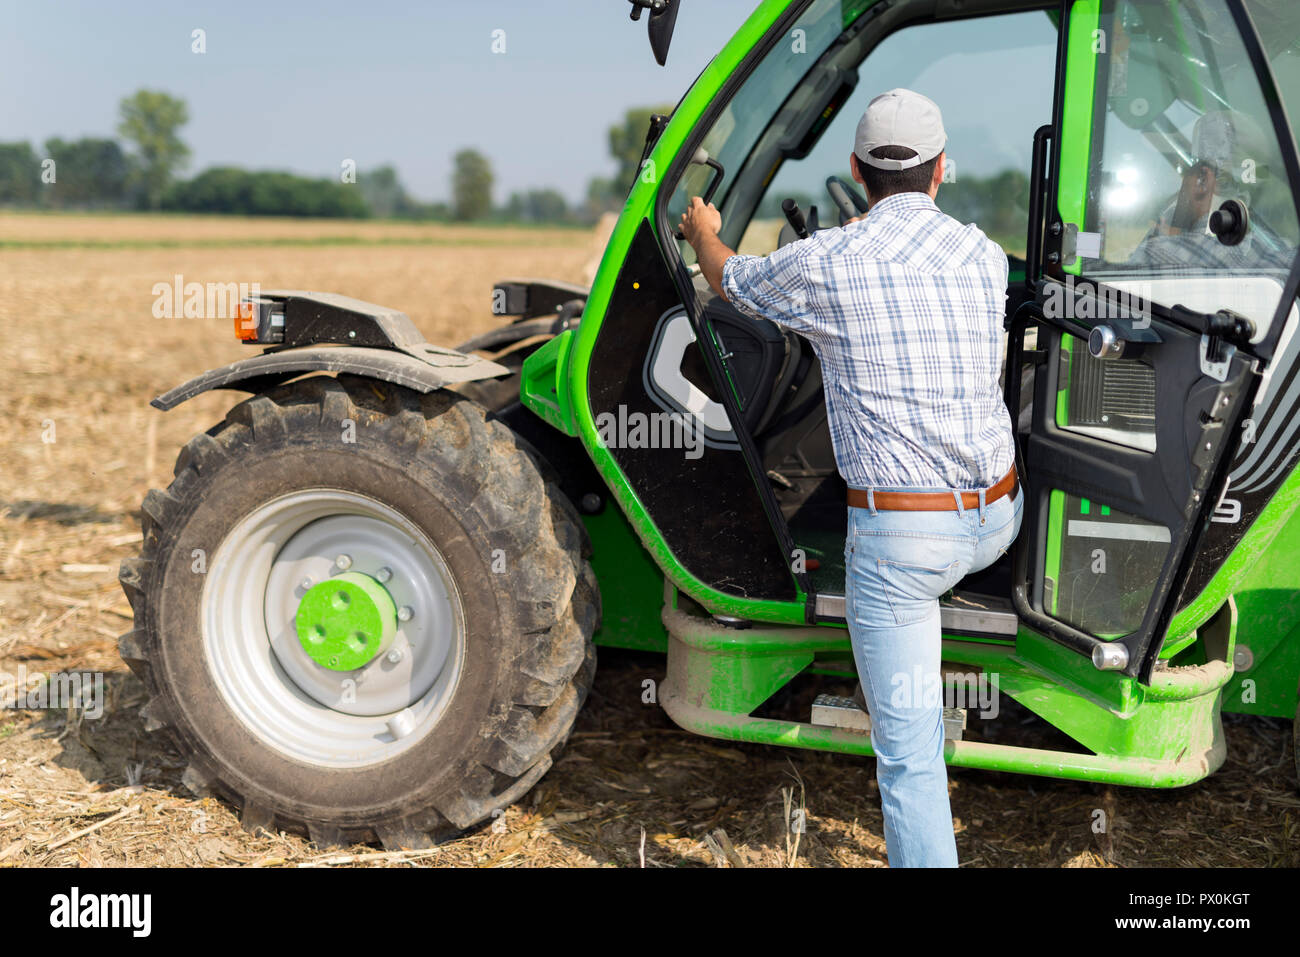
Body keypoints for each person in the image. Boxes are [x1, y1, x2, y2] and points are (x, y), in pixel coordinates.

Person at [678, 88, 1021, 867]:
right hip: (998, 521)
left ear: (860, 174)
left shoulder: (828, 261)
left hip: (906, 548)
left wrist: (704, 232)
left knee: (909, 756)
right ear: (940, 173)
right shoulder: (984, 255)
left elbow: (732, 283)